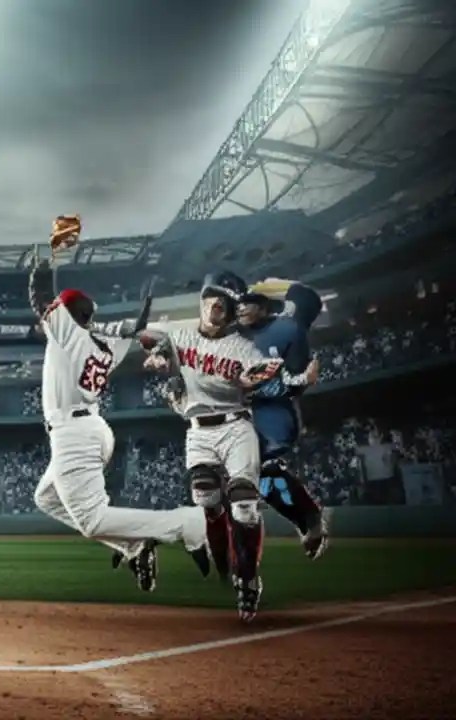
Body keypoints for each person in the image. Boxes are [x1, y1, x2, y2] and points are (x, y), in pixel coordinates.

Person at [27, 218, 209, 593]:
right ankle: (134, 545)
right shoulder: (107, 344)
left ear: (71, 316)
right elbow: (131, 329)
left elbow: (40, 296)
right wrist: (138, 316)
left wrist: (48, 257)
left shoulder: (69, 334)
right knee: (45, 498)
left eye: (61, 311)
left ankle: (187, 524)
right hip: (93, 429)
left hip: (74, 434)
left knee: (92, 520)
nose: (51, 315)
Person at [137, 272, 312, 622]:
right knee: (206, 498)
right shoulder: (180, 336)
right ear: (202, 300)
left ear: (230, 311)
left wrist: (258, 379)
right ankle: (222, 559)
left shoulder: (242, 347)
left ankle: (247, 580)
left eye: (224, 303)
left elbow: (255, 376)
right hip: (198, 430)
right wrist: (157, 361)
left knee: (245, 506)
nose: (216, 305)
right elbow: (154, 354)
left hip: (235, 427)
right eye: (212, 298)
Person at [237, 278, 328, 559]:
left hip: (275, 412)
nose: (240, 308)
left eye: (247, 302)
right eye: (238, 303)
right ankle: (307, 521)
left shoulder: (286, 327)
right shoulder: (233, 338)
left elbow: (309, 299)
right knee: (255, 477)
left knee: (264, 469)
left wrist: (267, 285)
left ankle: (310, 519)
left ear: (264, 307)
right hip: (245, 415)